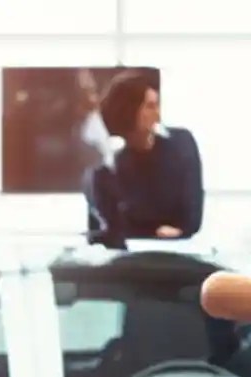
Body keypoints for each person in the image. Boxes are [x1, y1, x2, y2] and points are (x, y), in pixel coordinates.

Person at [84, 70, 204, 248]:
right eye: (149, 106)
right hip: (132, 258)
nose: (157, 114)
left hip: (177, 252)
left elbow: (192, 216)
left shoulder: (181, 144)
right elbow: (108, 231)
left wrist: (177, 231)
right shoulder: (110, 167)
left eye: (157, 105)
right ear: (129, 112)